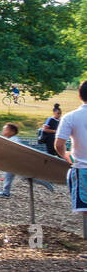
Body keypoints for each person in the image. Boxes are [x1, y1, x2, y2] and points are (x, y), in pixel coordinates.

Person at [0, 122, 55, 197]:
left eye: (5, 129)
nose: (3, 131)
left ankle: (46, 182)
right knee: (8, 176)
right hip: (11, 163)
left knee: (25, 177)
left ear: (12, 132)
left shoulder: (14, 140)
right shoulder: (9, 139)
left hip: (17, 163)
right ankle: (5, 192)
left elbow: (19, 149)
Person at [55, 80, 87, 213]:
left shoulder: (70, 117)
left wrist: (68, 156)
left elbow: (59, 145)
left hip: (82, 169)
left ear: (79, 96)